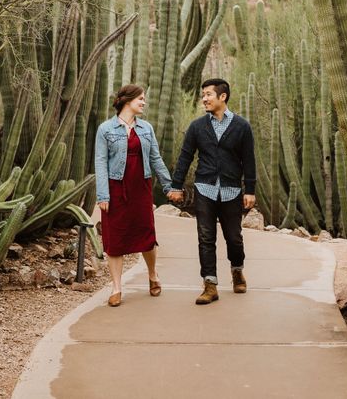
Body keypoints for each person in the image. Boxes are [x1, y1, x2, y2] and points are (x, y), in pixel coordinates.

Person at [169, 78, 256, 305]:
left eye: (208, 94)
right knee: (206, 238)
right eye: (203, 95)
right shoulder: (197, 126)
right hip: (204, 189)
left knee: (234, 238)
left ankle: (237, 270)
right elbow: (185, 157)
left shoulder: (242, 126)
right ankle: (210, 285)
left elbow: (249, 160)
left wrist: (250, 190)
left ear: (222, 96)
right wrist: (176, 186)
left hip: (231, 190)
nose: (204, 99)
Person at [94, 84, 176, 307]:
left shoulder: (146, 128)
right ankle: (116, 288)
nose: (143, 102)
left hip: (141, 187)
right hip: (115, 188)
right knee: (115, 238)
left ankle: (153, 274)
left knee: (146, 235)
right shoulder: (105, 129)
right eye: (140, 99)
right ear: (127, 101)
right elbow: (100, 162)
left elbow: (156, 159)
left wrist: (169, 186)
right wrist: (103, 195)